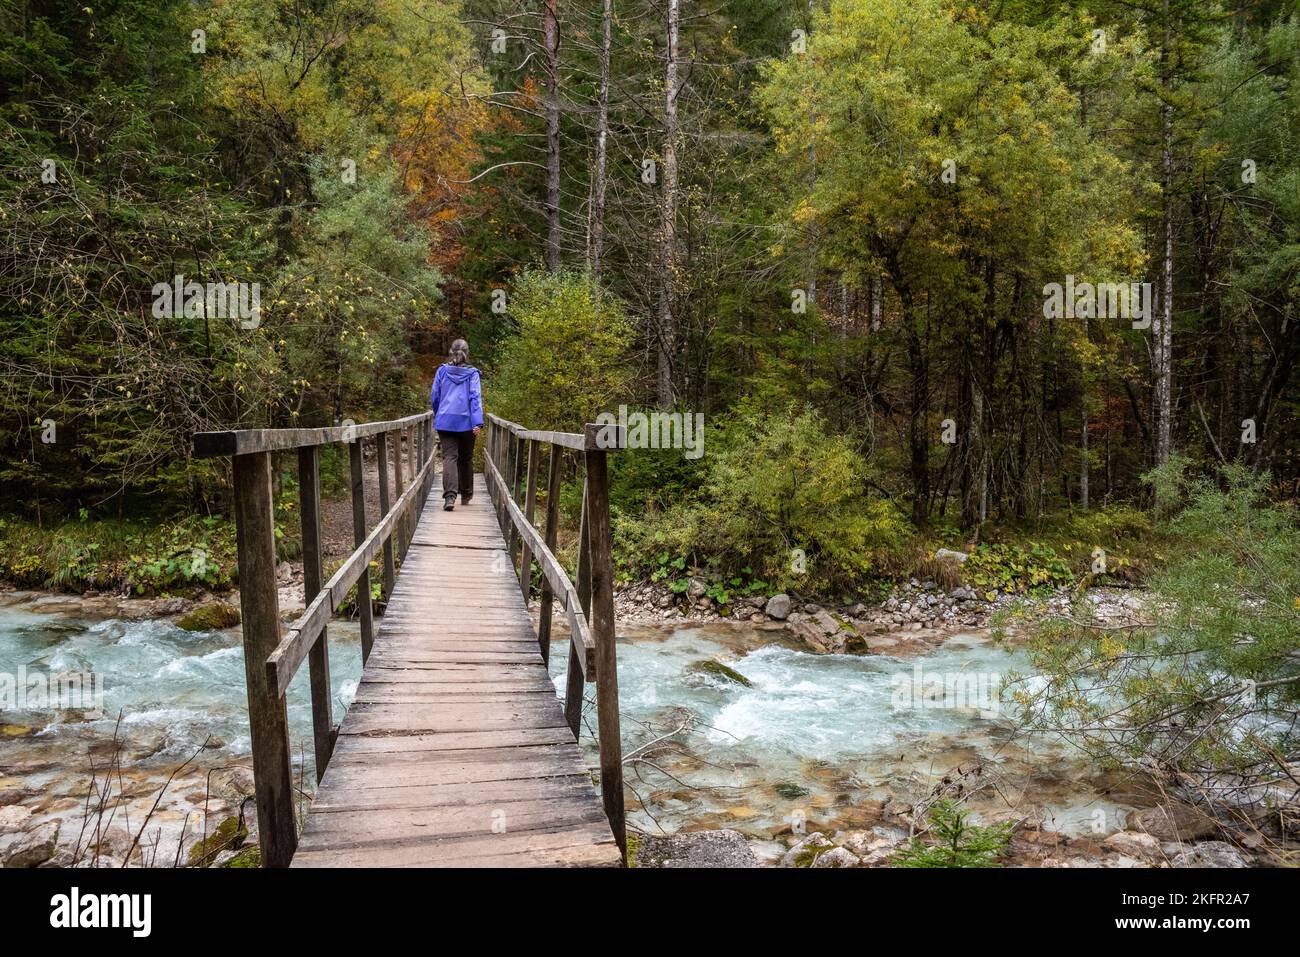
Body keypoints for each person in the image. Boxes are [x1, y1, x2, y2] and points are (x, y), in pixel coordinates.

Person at [429, 339, 483, 511]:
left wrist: (439, 414)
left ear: (451, 352)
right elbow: (475, 398)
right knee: (466, 458)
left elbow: (435, 395)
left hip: (445, 421)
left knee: (449, 457)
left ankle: (450, 497)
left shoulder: (442, 371)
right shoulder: (473, 374)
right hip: (467, 422)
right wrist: (478, 422)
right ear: (468, 353)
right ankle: (466, 494)